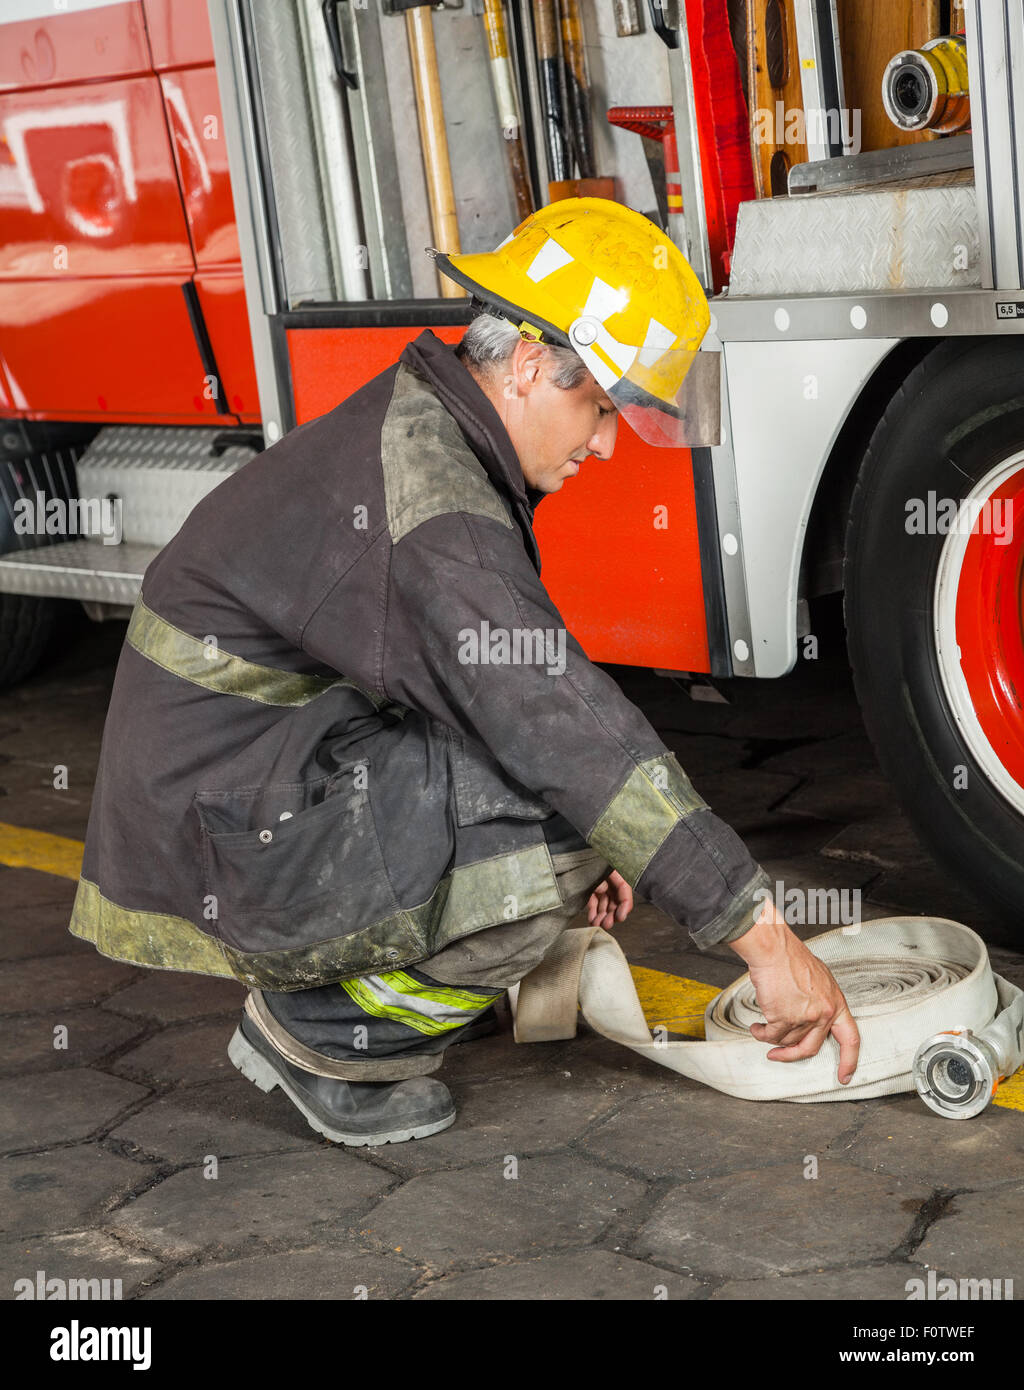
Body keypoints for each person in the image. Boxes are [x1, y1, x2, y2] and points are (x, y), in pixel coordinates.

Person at [70, 199, 860, 1145]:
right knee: (560, 819)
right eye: (600, 408)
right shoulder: (436, 506)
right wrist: (762, 938)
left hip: (244, 775)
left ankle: (399, 966)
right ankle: (328, 1033)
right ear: (529, 364)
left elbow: (491, 688)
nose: (606, 445)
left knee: (574, 822)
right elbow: (555, 720)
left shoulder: (431, 423)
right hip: (217, 816)